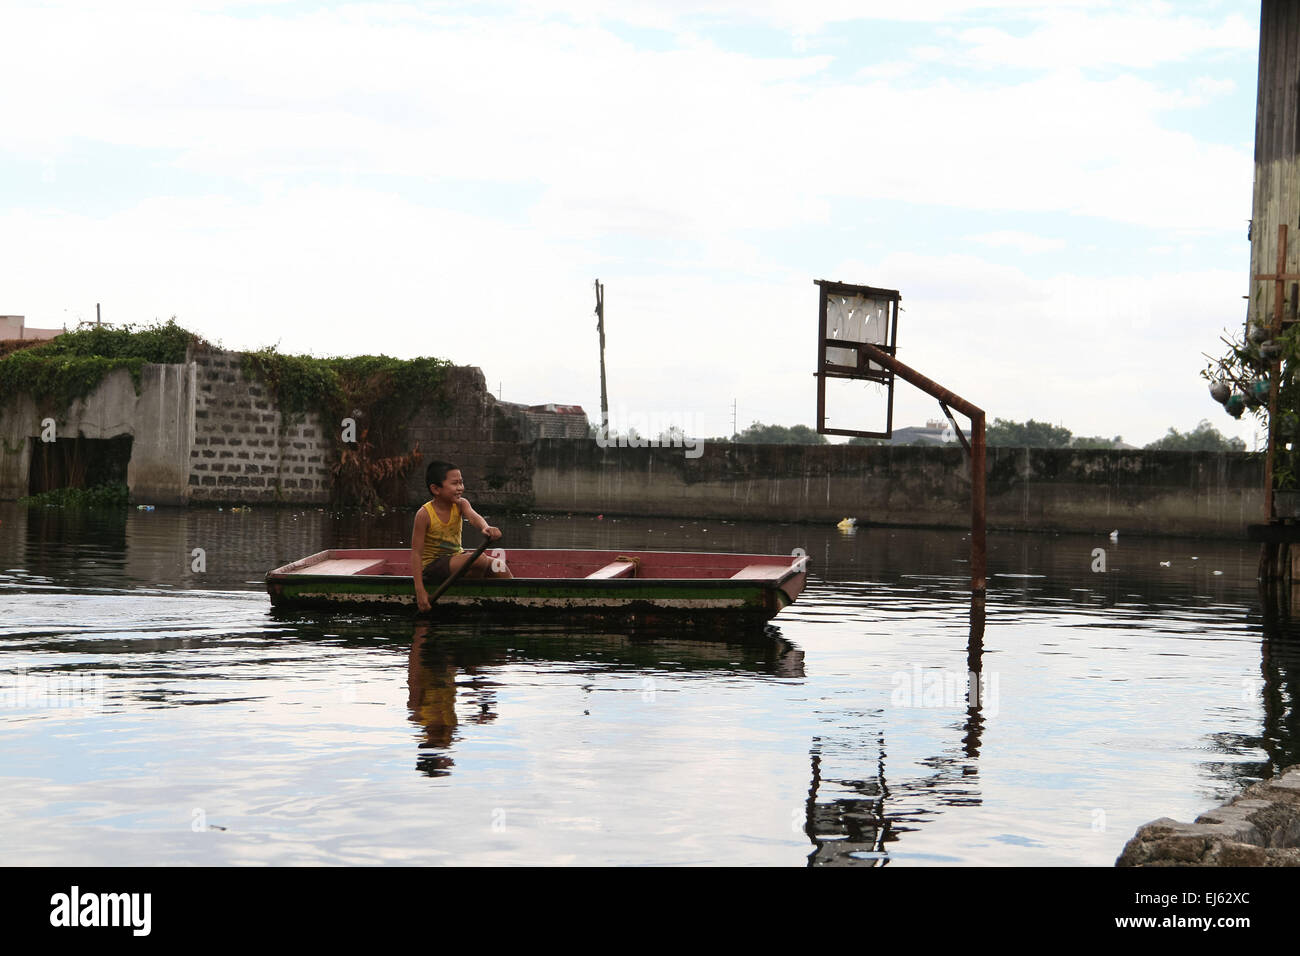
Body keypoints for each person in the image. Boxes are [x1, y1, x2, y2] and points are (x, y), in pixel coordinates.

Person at [411, 460, 511, 612]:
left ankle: (510, 603)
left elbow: (474, 517)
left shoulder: (460, 504)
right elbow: (416, 553)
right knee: (480, 561)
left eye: (461, 483)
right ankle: (474, 582)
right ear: (436, 489)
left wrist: (486, 528)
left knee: (500, 567)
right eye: (455, 484)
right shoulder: (424, 514)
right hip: (433, 565)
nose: (460, 488)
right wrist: (420, 591)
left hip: (456, 557)